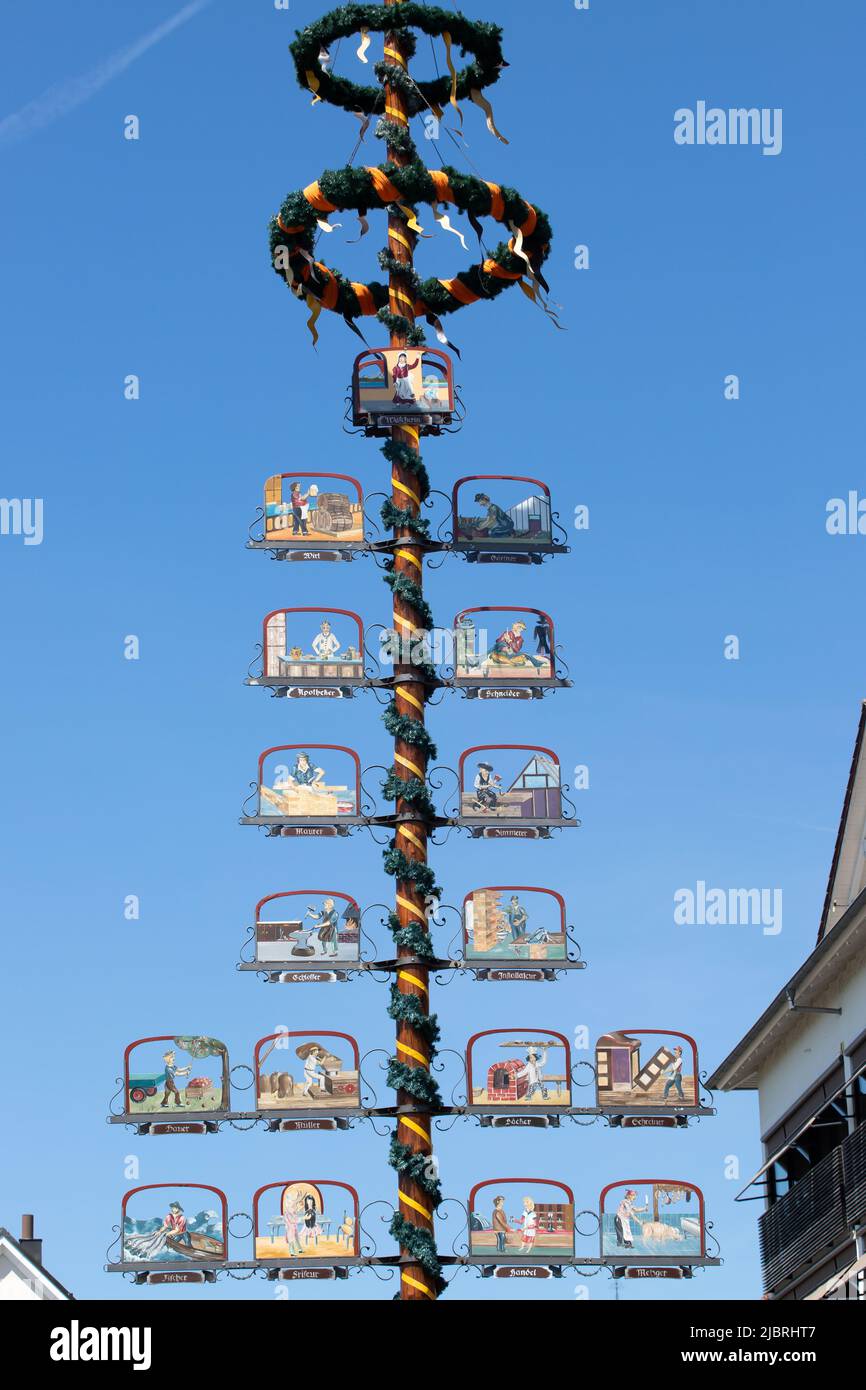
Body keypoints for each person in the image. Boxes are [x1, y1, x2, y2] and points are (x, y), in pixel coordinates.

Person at [283, 1191, 303, 1256]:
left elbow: (295, 1202)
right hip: (290, 1228)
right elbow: (292, 1220)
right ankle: (292, 1252)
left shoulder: (292, 1209)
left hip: (293, 1227)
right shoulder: (288, 1212)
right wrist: (299, 1219)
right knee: (291, 1239)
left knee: (296, 1237)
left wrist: (299, 1197)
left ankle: (299, 1249)